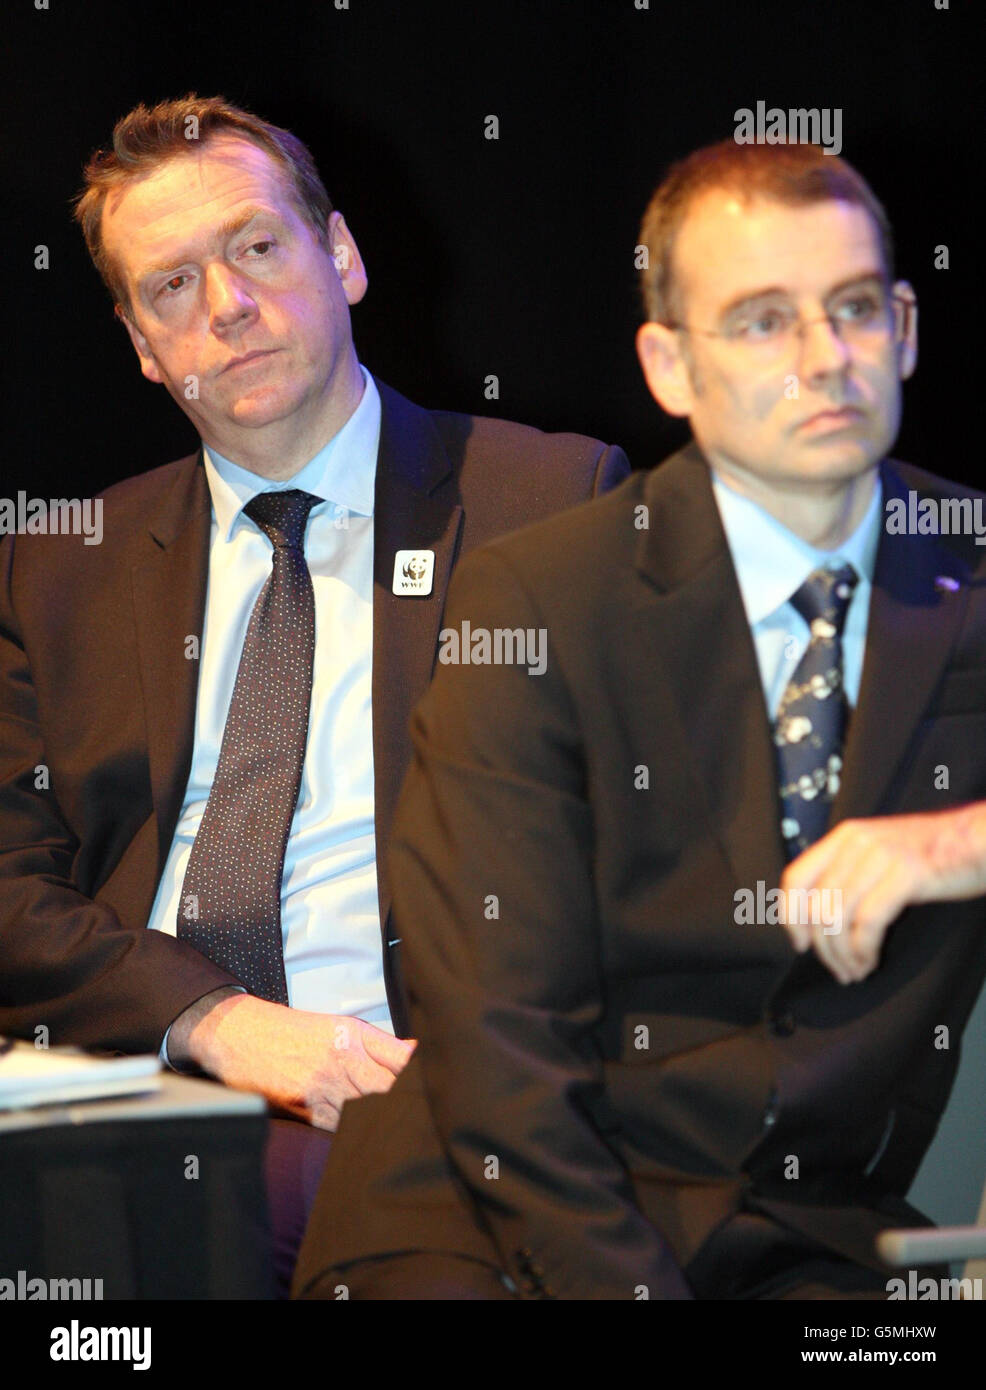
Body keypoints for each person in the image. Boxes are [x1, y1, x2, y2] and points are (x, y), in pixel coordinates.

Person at [294, 139, 986, 1300]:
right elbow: (491, 1030)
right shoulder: (542, 600)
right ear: (668, 365)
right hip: (488, 1209)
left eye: (854, 309)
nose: (825, 359)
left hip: (797, 1225)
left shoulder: (969, 564)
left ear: (904, 328)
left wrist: (954, 839)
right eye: (762, 321)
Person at [0, 94, 628, 1294]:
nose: (228, 306)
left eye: (255, 247)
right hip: (135, 1092)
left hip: (422, 1100)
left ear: (339, 255)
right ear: (138, 341)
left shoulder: (544, 502)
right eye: (171, 286)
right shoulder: (58, 564)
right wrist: (221, 1026)